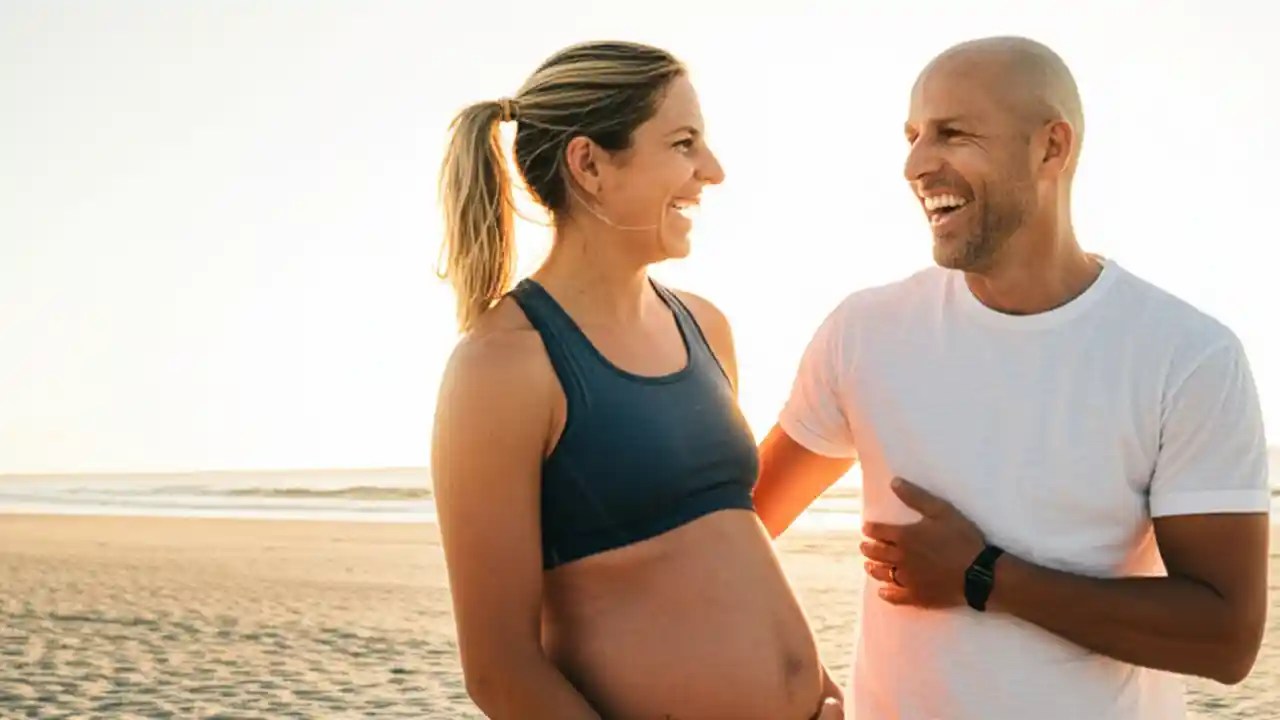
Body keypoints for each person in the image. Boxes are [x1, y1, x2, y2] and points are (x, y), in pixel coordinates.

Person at [752, 35, 1271, 720]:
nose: (915, 164)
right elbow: (739, 533)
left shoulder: (1186, 355)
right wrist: (788, 684)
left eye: (953, 133)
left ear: (1051, 148)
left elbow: (1224, 638)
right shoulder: (864, 331)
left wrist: (984, 576)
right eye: (912, 136)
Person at [431, 40, 842, 720]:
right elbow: (500, 670)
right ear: (589, 164)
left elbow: (720, 553)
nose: (713, 170)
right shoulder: (502, 367)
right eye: (683, 144)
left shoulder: (705, 327)